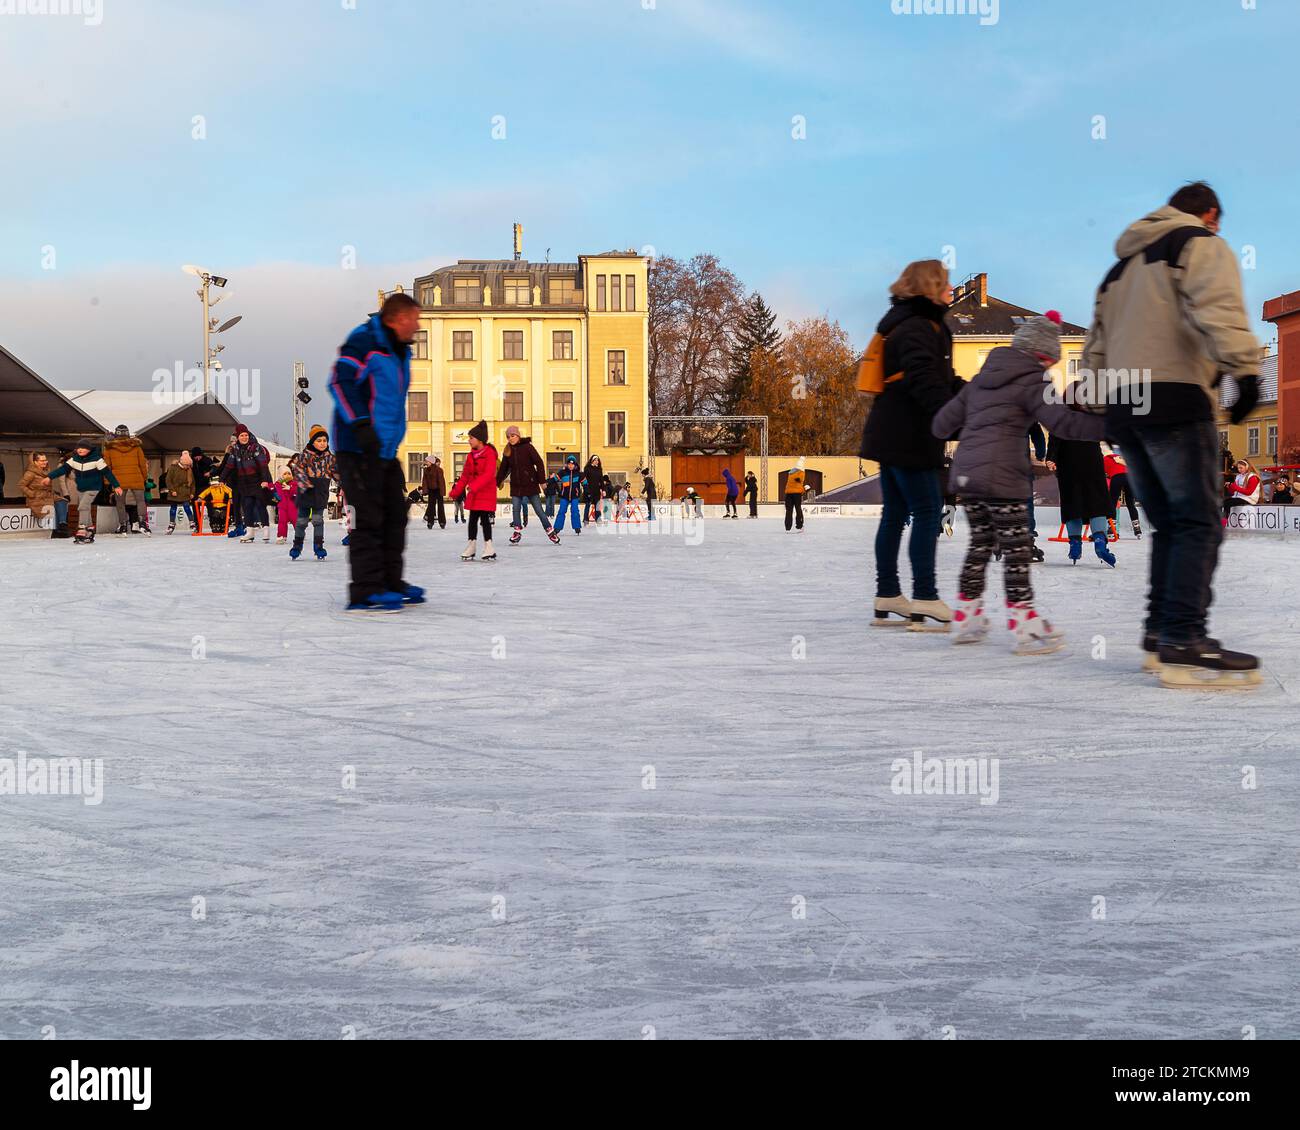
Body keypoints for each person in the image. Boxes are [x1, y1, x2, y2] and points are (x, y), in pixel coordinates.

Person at [1084, 181, 1261, 685]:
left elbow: (1096, 351)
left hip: (1125, 409)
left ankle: (1160, 632)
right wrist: (1245, 371)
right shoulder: (1197, 244)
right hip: (1175, 399)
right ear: (1208, 214)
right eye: (1217, 221)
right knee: (1199, 523)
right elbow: (1218, 306)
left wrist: (1103, 405)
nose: (1219, 229)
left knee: (1171, 526)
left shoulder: (1117, 273)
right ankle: (1183, 636)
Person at [933, 311, 1106, 652]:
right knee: (1017, 549)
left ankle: (966, 616)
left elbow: (941, 424)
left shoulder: (981, 380)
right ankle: (1024, 622)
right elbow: (1063, 424)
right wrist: (1108, 427)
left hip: (967, 477)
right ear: (1041, 355)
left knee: (980, 544)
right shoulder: (1034, 380)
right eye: (1050, 361)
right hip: (1002, 480)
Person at [859, 259, 962, 629]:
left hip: (892, 432)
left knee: (896, 514)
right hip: (910, 433)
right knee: (927, 511)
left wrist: (969, 392)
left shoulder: (903, 323)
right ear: (931, 286)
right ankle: (925, 596)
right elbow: (925, 380)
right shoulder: (921, 325)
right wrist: (952, 419)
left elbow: (937, 379)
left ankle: (887, 592)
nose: (951, 289)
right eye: (946, 283)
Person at [328, 294, 422, 611]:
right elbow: (339, 382)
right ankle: (365, 590)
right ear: (398, 318)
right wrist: (361, 424)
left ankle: (390, 582)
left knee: (396, 516)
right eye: (415, 319)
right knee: (367, 518)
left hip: (384, 449)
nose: (418, 326)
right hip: (357, 447)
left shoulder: (399, 351)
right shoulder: (365, 340)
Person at [1047, 410, 1117, 568]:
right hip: (1092, 462)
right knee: (1096, 503)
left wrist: (1050, 457)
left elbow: (1054, 438)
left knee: (1072, 502)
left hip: (1068, 464)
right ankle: (1100, 543)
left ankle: (1075, 545)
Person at [44, 439, 122, 544]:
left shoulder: (97, 460)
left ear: (89, 449)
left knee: (83, 506)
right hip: (81, 488)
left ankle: (82, 528)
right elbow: (62, 470)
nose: (80, 450)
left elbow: (107, 473)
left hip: (93, 487)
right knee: (86, 508)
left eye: (83, 448)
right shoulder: (74, 459)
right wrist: (49, 477)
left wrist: (116, 486)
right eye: (78, 448)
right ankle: (90, 529)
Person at [497, 425, 560, 545]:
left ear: (518, 436)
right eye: (508, 436)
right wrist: (497, 481)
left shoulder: (527, 447)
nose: (510, 438)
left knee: (539, 510)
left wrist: (541, 481)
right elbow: (503, 469)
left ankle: (550, 531)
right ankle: (517, 531)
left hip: (530, 484)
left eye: (512, 435)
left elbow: (539, 462)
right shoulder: (507, 451)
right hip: (516, 485)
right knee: (515, 509)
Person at [449, 420, 498, 561]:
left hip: (485, 492)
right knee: (472, 520)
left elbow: (489, 473)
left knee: (484, 520)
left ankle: (489, 547)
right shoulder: (471, 456)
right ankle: (471, 546)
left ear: (480, 440)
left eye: (471, 438)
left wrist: (474, 485)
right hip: (475, 493)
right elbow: (464, 476)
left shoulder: (489, 454)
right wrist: (455, 492)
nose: (469, 441)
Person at [288, 425, 337, 560]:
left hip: (320, 493)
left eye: (324, 441)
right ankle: (297, 546)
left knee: (318, 520)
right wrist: (305, 483)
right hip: (306, 492)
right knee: (302, 521)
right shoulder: (304, 456)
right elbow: (297, 470)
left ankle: (318, 546)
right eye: (319, 440)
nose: (322, 443)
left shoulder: (330, 458)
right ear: (312, 442)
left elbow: (337, 473)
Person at [224, 426, 274, 543]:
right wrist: (222, 479)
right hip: (244, 482)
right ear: (238, 437)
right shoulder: (235, 449)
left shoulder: (255, 447)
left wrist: (265, 480)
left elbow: (263, 465)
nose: (244, 437)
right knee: (247, 507)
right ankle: (250, 531)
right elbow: (229, 466)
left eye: (246, 435)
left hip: (258, 481)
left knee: (260, 505)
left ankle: (266, 529)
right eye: (242, 435)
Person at [103, 424, 150, 535]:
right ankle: (142, 524)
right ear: (128, 434)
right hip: (136, 477)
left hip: (118, 480)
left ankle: (123, 525)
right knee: (140, 501)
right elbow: (142, 464)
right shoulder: (136, 447)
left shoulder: (109, 449)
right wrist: (144, 477)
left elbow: (106, 467)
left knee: (120, 503)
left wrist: (107, 481)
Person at [20, 454, 68, 538]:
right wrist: (31, 494)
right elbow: (21, 485)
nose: (45, 462)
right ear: (35, 462)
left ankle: (62, 524)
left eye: (45, 460)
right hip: (36, 498)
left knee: (62, 501)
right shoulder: (30, 473)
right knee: (51, 507)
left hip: (48, 495)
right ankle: (56, 530)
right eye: (42, 460)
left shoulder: (46, 471)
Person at [1102, 444, 1142, 538]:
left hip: (1117, 478)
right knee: (1130, 504)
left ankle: (1112, 529)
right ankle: (1137, 530)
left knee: (1113, 503)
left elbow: (1102, 473)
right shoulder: (1120, 457)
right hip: (1129, 477)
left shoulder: (1105, 459)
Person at [164, 449, 197, 533]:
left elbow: (193, 483)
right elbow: (168, 480)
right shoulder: (173, 468)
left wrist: (192, 493)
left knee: (187, 507)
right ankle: (171, 524)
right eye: (187, 465)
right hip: (174, 492)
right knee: (173, 508)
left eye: (189, 465)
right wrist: (172, 490)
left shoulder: (189, 470)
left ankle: (192, 523)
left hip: (185, 492)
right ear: (182, 463)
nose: (188, 467)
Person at [554, 455, 584, 534]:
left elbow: (585, 483)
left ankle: (577, 527)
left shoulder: (579, 474)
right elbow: (554, 479)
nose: (570, 466)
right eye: (569, 464)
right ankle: (557, 528)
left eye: (572, 464)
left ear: (575, 465)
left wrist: (588, 493)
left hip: (575, 496)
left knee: (575, 511)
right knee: (561, 511)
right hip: (564, 496)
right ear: (567, 464)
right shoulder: (562, 473)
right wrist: (547, 482)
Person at [272, 469, 299, 544]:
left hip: (292, 506)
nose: (287, 475)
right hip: (282, 506)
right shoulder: (277, 484)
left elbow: (297, 491)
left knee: (295, 520)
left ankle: (299, 534)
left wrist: (290, 488)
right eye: (285, 474)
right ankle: (281, 536)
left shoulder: (294, 483)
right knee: (282, 521)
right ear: (281, 475)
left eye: (289, 473)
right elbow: (273, 490)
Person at [421, 456, 446, 529]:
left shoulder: (439, 470)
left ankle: (442, 522)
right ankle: (430, 522)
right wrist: (425, 490)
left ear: (431, 462)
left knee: (440, 506)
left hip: (438, 490)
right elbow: (424, 481)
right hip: (431, 490)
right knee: (431, 506)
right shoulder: (426, 470)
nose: (426, 463)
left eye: (427, 461)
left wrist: (442, 491)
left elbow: (441, 482)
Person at [783, 459, 805, 532]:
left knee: (789, 511)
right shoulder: (801, 472)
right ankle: (799, 526)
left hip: (788, 493)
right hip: (797, 494)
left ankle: (787, 528)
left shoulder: (791, 472)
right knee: (798, 509)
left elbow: (794, 481)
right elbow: (800, 480)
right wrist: (804, 489)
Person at [583, 455, 603, 524]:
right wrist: (586, 489)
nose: (596, 461)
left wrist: (603, 489)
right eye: (595, 460)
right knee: (588, 505)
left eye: (597, 460)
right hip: (589, 490)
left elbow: (601, 480)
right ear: (592, 461)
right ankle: (585, 519)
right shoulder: (587, 468)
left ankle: (598, 518)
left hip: (596, 491)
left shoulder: (599, 469)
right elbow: (584, 480)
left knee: (597, 505)